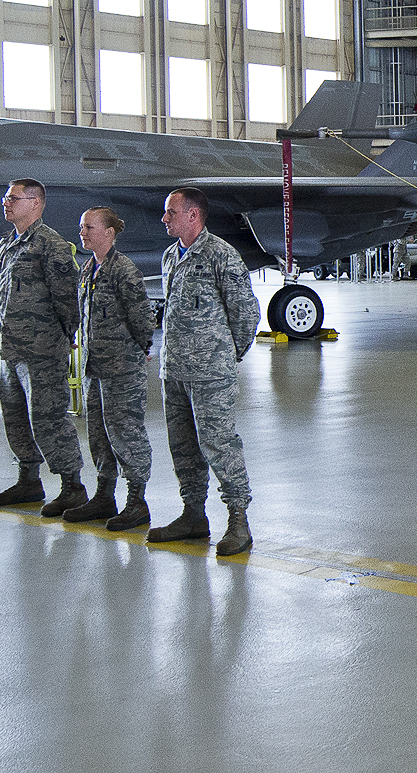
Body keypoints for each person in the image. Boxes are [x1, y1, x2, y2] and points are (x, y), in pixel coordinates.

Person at [151, 186, 260, 555]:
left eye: (171, 212)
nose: (164, 218)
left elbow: (246, 314)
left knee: (219, 444)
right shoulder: (170, 256)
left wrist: (227, 355)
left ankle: (239, 521)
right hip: (175, 370)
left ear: (193, 215)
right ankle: (193, 514)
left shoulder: (221, 255)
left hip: (211, 372)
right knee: (181, 446)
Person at [0, 179, 87, 515]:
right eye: (5, 198)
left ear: (36, 203)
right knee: (14, 418)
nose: (6, 203)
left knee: (48, 418)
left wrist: (66, 334)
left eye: (13, 198)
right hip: (9, 350)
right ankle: (28, 480)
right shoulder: (7, 245)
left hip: (41, 350)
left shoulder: (50, 245)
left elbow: (69, 299)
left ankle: (73, 485)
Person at [65, 206, 157, 532]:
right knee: (99, 434)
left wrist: (143, 347)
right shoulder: (88, 268)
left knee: (126, 432)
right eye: (81, 226)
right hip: (95, 366)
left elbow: (142, 316)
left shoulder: (123, 270)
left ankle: (137, 501)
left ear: (109, 232)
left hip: (122, 367)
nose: (83, 232)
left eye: (89, 227)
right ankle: (105, 494)